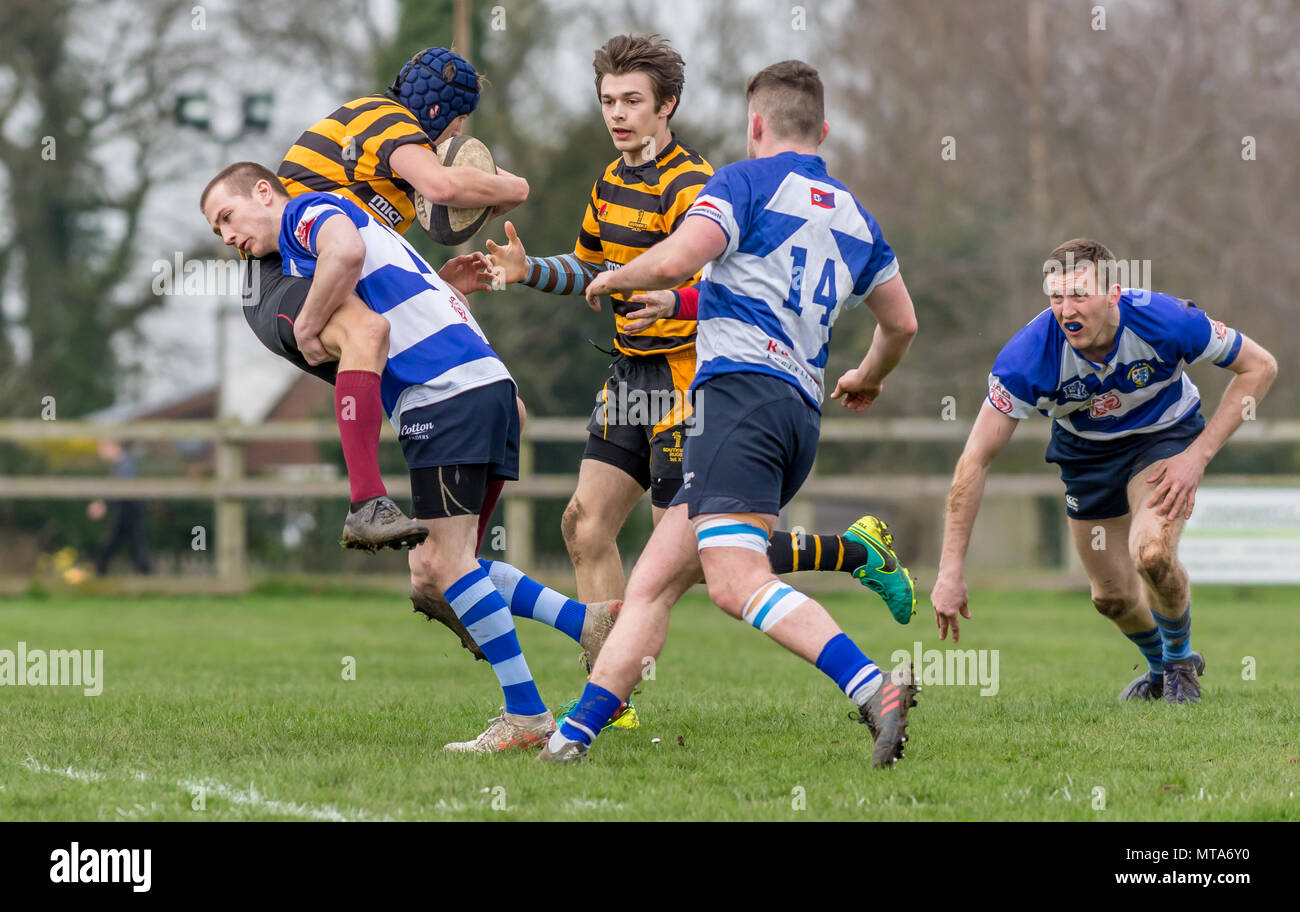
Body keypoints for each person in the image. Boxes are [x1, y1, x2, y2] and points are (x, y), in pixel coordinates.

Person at [536, 60, 921, 767]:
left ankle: (874, 686)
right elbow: (901, 324)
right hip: (795, 414)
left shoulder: (742, 183)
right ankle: (569, 743)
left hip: (737, 401)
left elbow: (681, 254)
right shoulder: (855, 216)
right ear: (823, 132)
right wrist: (868, 375)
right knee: (652, 584)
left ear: (755, 125)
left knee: (735, 582)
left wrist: (622, 276)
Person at [485, 35, 914, 617]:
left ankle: (853, 551)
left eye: (632, 101)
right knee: (584, 525)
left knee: (693, 552)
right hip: (632, 374)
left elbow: (718, 282)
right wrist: (528, 269)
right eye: (608, 100)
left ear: (667, 105)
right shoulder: (609, 180)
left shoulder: (694, 184)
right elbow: (594, 270)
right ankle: (607, 672)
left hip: (690, 376)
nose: (617, 114)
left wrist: (671, 299)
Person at [202, 162, 616, 751]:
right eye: (217, 231)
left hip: (442, 397)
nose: (228, 237)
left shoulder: (303, 214)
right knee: (438, 567)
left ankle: (527, 714)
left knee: (447, 566)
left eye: (227, 217)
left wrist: (310, 325)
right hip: (492, 392)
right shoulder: (370, 231)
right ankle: (586, 623)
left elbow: (343, 253)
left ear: (264, 192)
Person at [929, 238, 1278, 704]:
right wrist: (950, 570)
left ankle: (1179, 667)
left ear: (1114, 293)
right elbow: (975, 459)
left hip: (1163, 437)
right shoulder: (1027, 358)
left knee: (1151, 553)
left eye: (1079, 294)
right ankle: (1160, 668)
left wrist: (1196, 457)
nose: (1065, 309)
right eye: (1056, 296)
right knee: (1111, 598)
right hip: (1086, 456)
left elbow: (1260, 367)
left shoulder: (1167, 320)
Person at [243, 46, 529, 553]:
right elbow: (444, 186)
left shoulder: (390, 180)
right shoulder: (386, 116)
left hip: (333, 274)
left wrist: (437, 286)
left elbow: (371, 261)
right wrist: (518, 187)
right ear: (437, 109)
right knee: (368, 332)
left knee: (506, 405)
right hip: (278, 274)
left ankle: (459, 558)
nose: (457, 135)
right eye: (459, 121)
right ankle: (366, 504)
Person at [88, 440, 151, 576]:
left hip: (131, 509)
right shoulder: (120, 464)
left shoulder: (126, 464)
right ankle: (101, 572)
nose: (100, 452)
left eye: (103, 448)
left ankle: (100, 573)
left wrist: (104, 504)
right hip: (126, 509)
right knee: (131, 544)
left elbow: (123, 488)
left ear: (113, 446)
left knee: (132, 544)